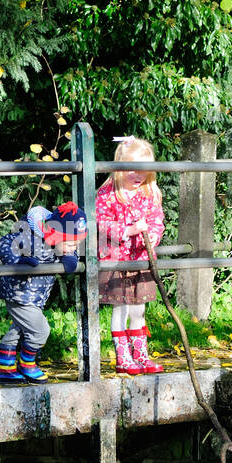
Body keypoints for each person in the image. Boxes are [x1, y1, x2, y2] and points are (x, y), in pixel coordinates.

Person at [0, 201, 87, 382]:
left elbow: (69, 253)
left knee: (19, 330)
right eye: (70, 244)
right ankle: (27, 364)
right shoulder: (30, 237)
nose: (73, 248)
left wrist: (70, 257)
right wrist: (16, 262)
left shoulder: (60, 243)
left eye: (76, 244)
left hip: (35, 296)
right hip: (18, 293)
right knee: (40, 330)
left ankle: (5, 369)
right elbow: (3, 244)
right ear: (56, 235)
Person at [96, 136, 165, 375]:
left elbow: (157, 221)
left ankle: (141, 355)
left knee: (139, 309)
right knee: (121, 308)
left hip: (140, 259)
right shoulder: (108, 194)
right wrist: (128, 231)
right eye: (133, 171)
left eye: (144, 172)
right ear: (119, 167)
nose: (139, 176)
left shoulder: (150, 193)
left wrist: (153, 237)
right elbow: (101, 226)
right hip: (117, 261)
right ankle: (122, 357)